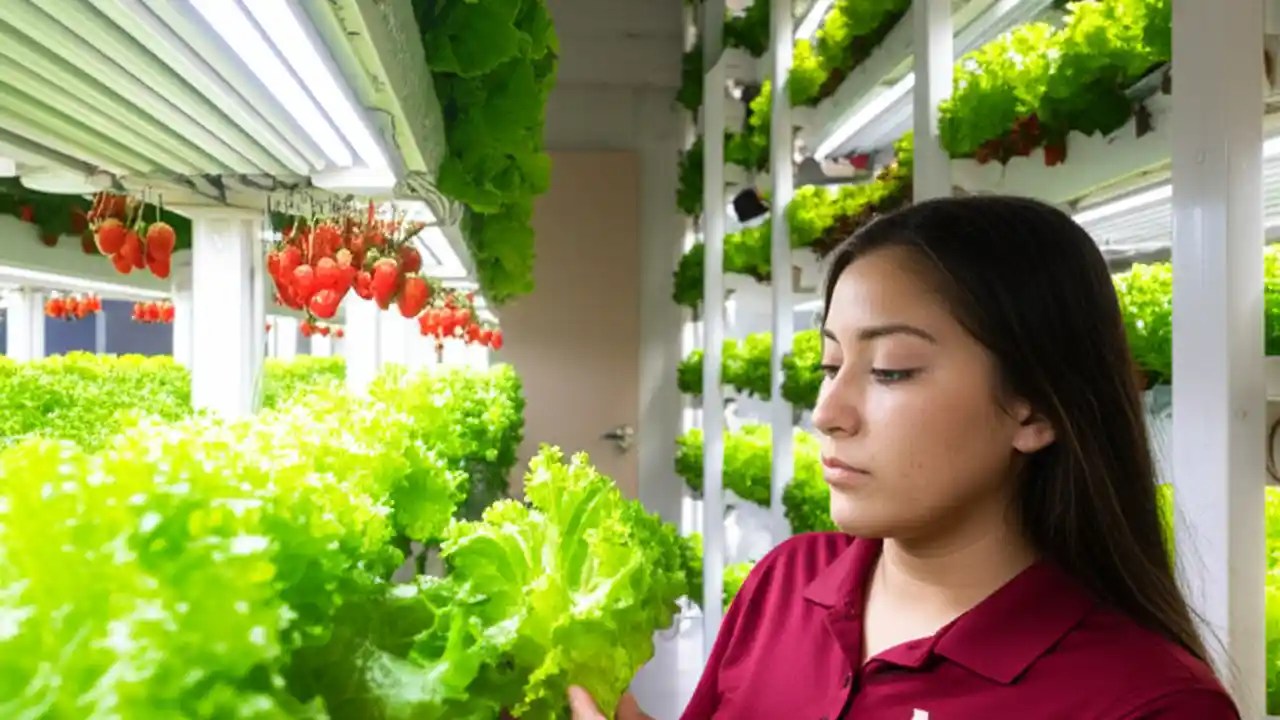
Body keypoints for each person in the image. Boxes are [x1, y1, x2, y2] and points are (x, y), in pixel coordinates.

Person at [568, 195, 1240, 719]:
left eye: (890, 370)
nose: (828, 413)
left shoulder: (1149, 704)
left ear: (1034, 410)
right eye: (831, 363)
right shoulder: (787, 582)